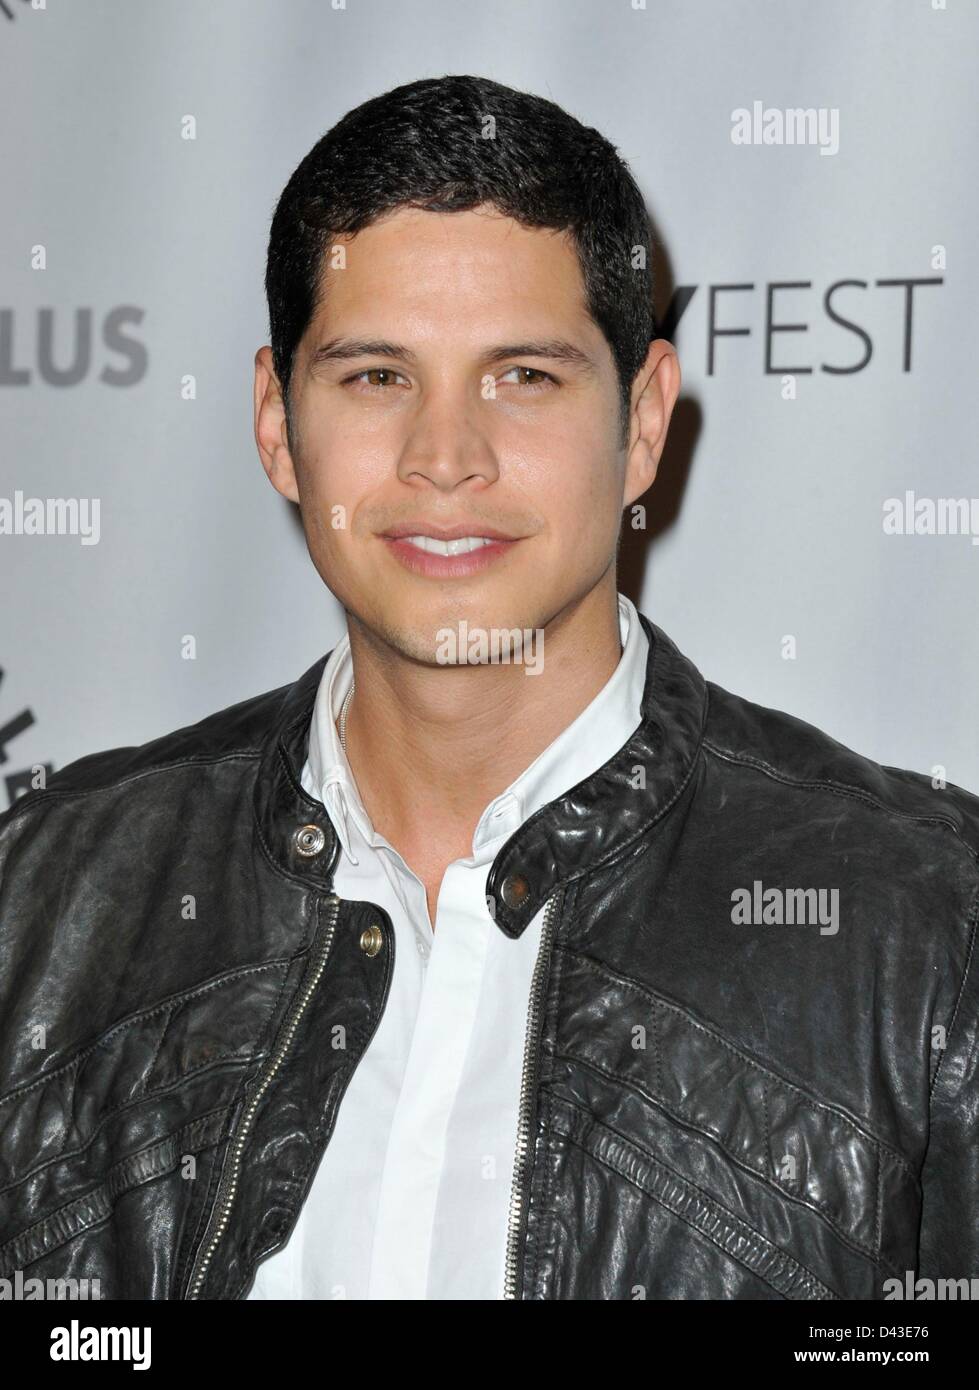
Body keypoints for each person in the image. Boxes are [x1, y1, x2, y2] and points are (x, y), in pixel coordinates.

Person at [1, 74, 976, 1302]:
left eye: (523, 376)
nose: (444, 459)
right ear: (273, 423)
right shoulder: (39, 902)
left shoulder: (928, 928)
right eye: (374, 377)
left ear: (642, 423)